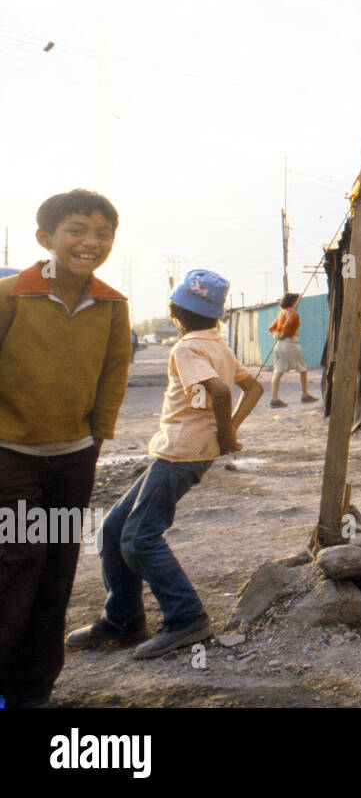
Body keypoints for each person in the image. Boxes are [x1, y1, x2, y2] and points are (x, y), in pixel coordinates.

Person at [67, 269, 262, 659]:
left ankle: (186, 617)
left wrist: (226, 433)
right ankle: (123, 620)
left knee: (139, 539)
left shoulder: (186, 348)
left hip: (180, 454)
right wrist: (231, 428)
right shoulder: (217, 346)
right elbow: (252, 386)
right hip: (181, 453)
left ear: (174, 311)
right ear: (217, 315)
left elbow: (220, 390)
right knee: (111, 530)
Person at [0, 189, 131, 707]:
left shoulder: (111, 304)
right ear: (45, 239)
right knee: (16, 561)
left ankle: (33, 688)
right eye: (76, 230)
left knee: (57, 566)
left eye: (103, 233)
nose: (90, 242)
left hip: (72, 459)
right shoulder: (12, 296)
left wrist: (95, 440)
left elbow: (114, 377)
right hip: (11, 458)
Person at [267, 292, 316, 407]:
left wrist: (277, 334)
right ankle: (305, 395)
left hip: (279, 345)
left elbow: (272, 328)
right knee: (303, 369)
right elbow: (288, 326)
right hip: (290, 343)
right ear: (293, 302)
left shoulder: (281, 313)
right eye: (297, 300)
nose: (298, 303)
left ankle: (274, 399)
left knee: (278, 371)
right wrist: (283, 333)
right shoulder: (292, 313)